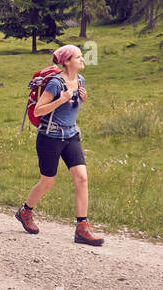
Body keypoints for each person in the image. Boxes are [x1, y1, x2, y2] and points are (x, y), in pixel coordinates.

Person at [15, 44, 104, 246]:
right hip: (49, 136)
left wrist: (82, 99)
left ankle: (82, 228)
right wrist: (60, 99)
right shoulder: (56, 84)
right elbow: (38, 111)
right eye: (78, 56)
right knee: (47, 182)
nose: (83, 59)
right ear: (67, 61)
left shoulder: (80, 80)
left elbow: (70, 110)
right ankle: (25, 211)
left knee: (82, 179)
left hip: (71, 135)